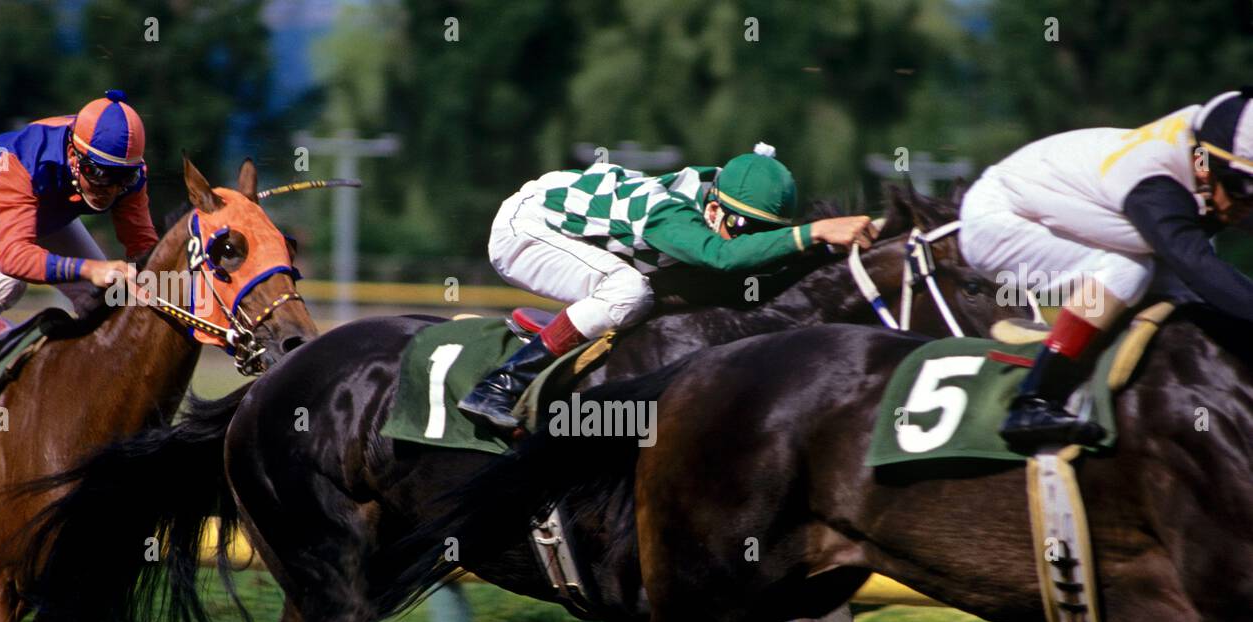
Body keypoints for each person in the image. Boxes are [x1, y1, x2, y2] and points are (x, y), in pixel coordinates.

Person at [459, 143, 875, 432]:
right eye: (747, 229)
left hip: (572, 229)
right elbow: (724, 257)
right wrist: (816, 231)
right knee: (628, 291)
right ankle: (499, 385)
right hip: (525, 230)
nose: (751, 240)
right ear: (713, 208)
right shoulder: (670, 213)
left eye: (765, 234)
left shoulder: (715, 204)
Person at [960, 89, 1253, 447]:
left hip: (1050, 201)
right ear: (1202, 165)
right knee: (1129, 268)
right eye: (1242, 190)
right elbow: (1198, 267)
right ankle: (1034, 400)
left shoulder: (1206, 155)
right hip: (999, 224)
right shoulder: (1155, 184)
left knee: (1182, 286)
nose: (1246, 206)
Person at [0, 89, 157, 391]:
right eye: (98, 172)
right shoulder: (23, 161)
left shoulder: (132, 176)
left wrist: (170, 286)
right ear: (74, 156)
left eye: (121, 178)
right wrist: (90, 269)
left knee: (105, 298)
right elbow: (13, 258)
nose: (109, 189)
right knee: (4, 280)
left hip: (43, 208)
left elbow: (143, 248)